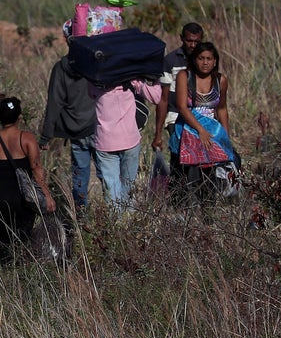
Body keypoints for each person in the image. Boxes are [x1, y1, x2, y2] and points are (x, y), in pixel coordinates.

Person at [0, 97, 56, 265]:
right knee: (24, 240)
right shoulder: (27, 139)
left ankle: (7, 277)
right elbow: (36, 169)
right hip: (22, 198)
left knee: (5, 242)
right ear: (19, 116)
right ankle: (22, 277)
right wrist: (47, 196)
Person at [169, 42, 237, 207]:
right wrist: (200, 130)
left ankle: (208, 217)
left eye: (209, 59)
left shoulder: (220, 81)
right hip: (187, 130)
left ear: (215, 61)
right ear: (195, 59)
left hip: (211, 132)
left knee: (210, 179)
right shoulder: (185, 76)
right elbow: (182, 107)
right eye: (201, 58)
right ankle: (185, 214)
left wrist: (224, 138)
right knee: (187, 178)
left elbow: (221, 109)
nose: (205, 62)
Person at [39, 19, 97, 211]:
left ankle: (81, 216)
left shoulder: (61, 68)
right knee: (107, 173)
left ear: (66, 39)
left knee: (80, 176)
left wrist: (46, 135)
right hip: (98, 127)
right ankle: (112, 218)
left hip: (76, 131)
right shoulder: (96, 63)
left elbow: (55, 103)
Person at [91, 79, 162, 210]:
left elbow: (90, 94)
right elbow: (156, 97)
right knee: (128, 185)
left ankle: (115, 224)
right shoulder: (132, 80)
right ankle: (128, 222)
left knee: (111, 187)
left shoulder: (96, 80)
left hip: (105, 141)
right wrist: (156, 78)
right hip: (129, 139)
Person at [152, 23, 204, 152]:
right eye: (189, 41)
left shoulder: (205, 61)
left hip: (201, 116)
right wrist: (158, 133)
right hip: (175, 117)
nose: (192, 45)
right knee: (181, 152)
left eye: (196, 42)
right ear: (181, 38)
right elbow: (163, 99)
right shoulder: (170, 61)